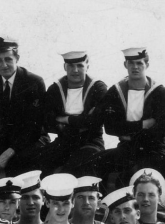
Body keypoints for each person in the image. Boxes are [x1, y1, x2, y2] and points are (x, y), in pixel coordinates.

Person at [0, 37, 51, 175]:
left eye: (8, 59)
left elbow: (34, 126)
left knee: (18, 164)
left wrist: (6, 155)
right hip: (4, 133)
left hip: (32, 137)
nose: (4, 65)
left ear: (17, 58)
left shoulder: (33, 81)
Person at [98, 47, 165, 187]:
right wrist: (143, 125)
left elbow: (162, 129)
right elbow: (110, 128)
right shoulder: (115, 91)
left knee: (130, 177)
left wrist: (128, 133)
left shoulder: (160, 92)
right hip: (126, 147)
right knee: (94, 163)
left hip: (153, 150)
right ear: (125, 65)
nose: (135, 67)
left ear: (147, 65)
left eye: (139, 63)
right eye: (131, 63)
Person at [37, 50, 110, 178]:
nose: (75, 70)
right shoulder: (55, 89)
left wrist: (65, 119)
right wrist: (82, 121)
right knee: (39, 163)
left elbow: (95, 121)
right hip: (64, 140)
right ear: (65, 67)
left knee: (73, 169)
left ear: (87, 66)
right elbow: (48, 122)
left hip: (91, 142)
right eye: (71, 66)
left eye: (80, 65)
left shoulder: (98, 88)